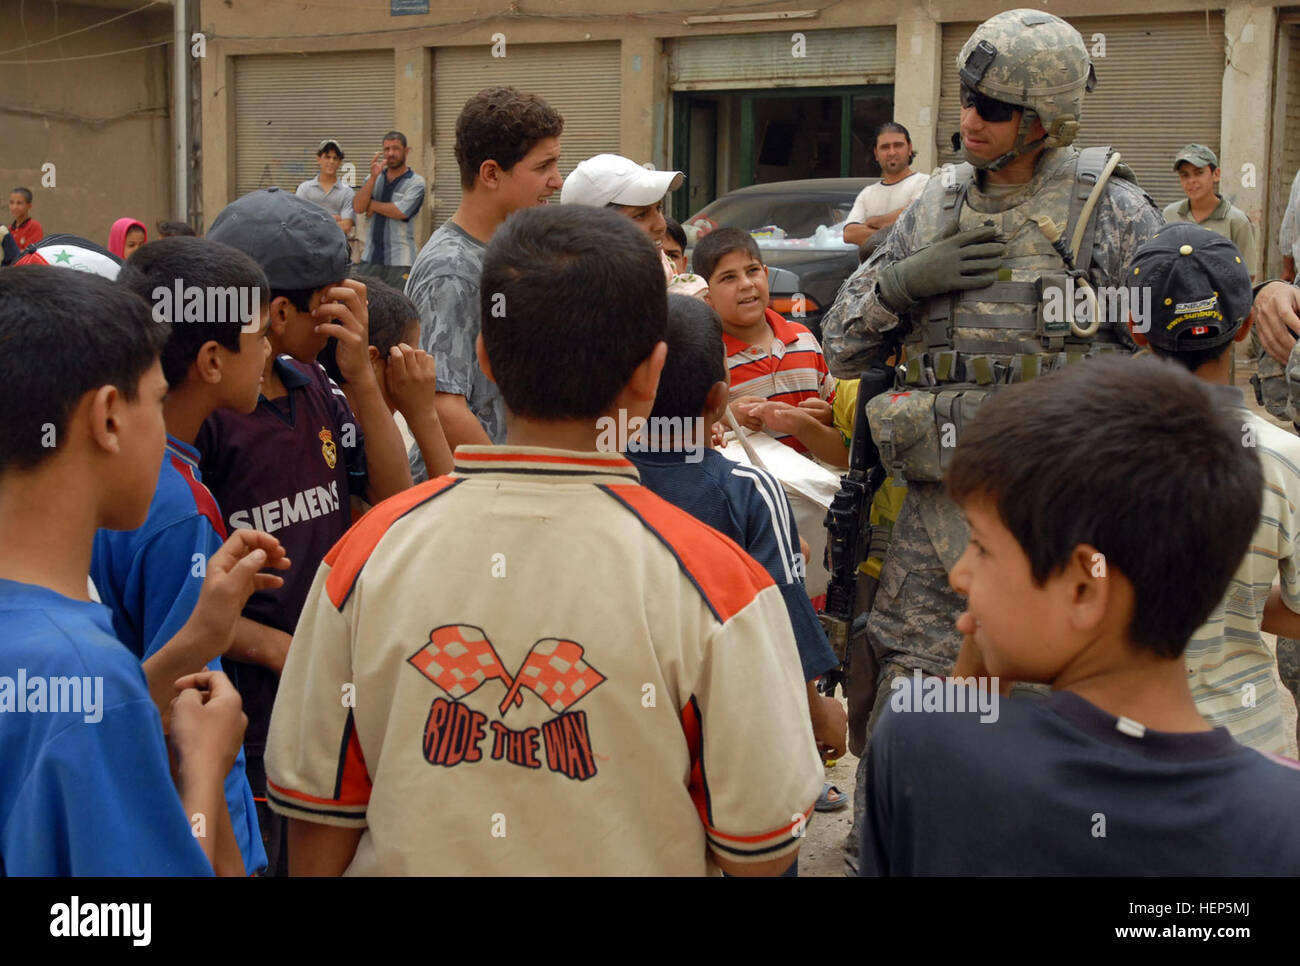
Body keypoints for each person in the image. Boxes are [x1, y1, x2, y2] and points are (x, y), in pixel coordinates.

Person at [264, 204, 823, 876]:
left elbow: (316, 843)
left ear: (483, 360)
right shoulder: (720, 586)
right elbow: (759, 852)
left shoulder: (362, 558)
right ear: (651, 374)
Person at [819, 9, 1165, 874]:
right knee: (912, 724)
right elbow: (840, 345)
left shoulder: (1108, 211)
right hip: (935, 534)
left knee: (1055, 738)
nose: (970, 119)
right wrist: (901, 282)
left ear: (1044, 120)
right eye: (966, 101)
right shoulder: (932, 203)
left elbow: (1177, 352)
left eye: (994, 107)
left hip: (1059, 534)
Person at [860, 354, 1300, 875]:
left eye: (980, 547)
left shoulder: (919, 741)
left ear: (1084, 589)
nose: (959, 576)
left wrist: (974, 667)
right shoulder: (1280, 817)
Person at [0, 265, 280, 874]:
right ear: (107, 418)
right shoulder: (84, 665)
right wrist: (203, 770)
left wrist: (195, 643)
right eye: (156, 401)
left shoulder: (55, 653)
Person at [198, 187, 413, 875]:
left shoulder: (314, 385)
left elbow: (388, 498)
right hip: (252, 715)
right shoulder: (210, 418)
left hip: (327, 695)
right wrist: (285, 651)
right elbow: (188, 602)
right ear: (279, 312)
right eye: (331, 303)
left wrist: (362, 380)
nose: (343, 317)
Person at [92, 236, 291, 877]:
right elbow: (187, 707)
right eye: (258, 335)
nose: (270, 350)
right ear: (210, 359)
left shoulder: (105, 473)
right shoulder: (175, 505)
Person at [626, 294, 848, 827]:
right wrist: (820, 714)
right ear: (718, 399)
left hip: (629, 728)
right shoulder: (748, 490)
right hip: (737, 733)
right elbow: (785, 617)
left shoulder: (599, 474)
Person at [1122, 224, 1300, 756]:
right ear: (1245, 326)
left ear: (1136, 328)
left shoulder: (1075, 457)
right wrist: (1233, 599)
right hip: (1248, 752)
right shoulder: (1285, 460)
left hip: (1120, 754)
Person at [404, 87, 563, 474]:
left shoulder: (514, 248)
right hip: (475, 495)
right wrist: (511, 483)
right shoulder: (451, 271)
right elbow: (442, 405)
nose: (557, 181)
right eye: (543, 167)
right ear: (491, 173)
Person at [691, 227, 835, 453]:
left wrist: (827, 414)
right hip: (748, 485)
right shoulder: (706, 358)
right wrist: (727, 417)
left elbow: (834, 407)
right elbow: (690, 433)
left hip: (816, 483)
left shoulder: (804, 338)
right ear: (707, 296)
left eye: (752, 271)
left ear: (766, 275)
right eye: (729, 277)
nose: (746, 284)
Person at [319, 278, 453, 479]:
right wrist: (424, 416)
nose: (419, 368)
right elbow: (449, 505)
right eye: (410, 355)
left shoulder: (317, 410)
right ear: (371, 361)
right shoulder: (367, 445)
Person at [1161, 145, 1257, 280]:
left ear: (1216, 174)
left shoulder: (1236, 221)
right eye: (1184, 175)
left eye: (1199, 173)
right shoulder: (1169, 215)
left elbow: (1248, 275)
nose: (1191, 181)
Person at [352, 131, 426, 288]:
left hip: (400, 261)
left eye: (396, 148)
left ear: (406, 151)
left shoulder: (416, 183)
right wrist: (372, 179)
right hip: (370, 258)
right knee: (368, 308)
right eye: (387, 149)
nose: (391, 153)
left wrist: (371, 205)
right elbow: (358, 207)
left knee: (399, 309)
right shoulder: (373, 178)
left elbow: (401, 211)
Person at [841, 123, 930, 248]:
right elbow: (849, 234)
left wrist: (874, 221)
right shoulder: (868, 193)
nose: (892, 152)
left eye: (898, 145)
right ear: (876, 153)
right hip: (871, 268)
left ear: (909, 148)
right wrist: (898, 235)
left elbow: (913, 218)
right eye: (885, 147)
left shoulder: (925, 182)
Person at [296, 138, 355, 240]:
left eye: (335, 158)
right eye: (327, 157)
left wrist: (315, 221)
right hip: (309, 248)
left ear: (340, 161)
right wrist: (333, 219)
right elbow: (298, 222)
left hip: (337, 250)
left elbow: (346, 225)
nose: (331, 161)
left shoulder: (347, 192)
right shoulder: (304, 189)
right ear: (318, 159)